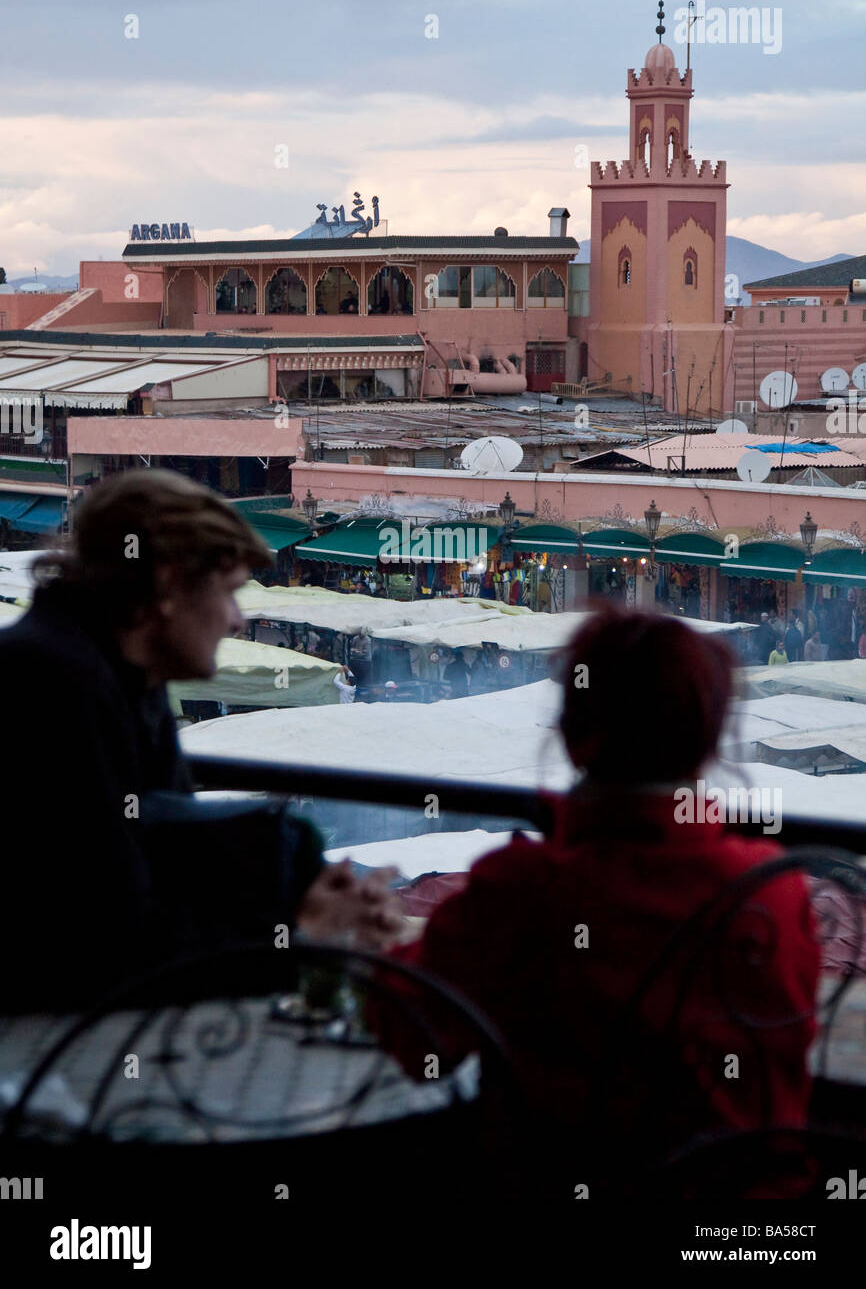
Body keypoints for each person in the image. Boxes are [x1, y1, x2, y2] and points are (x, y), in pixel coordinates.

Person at [379, 607, 819, 1192]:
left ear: (571, 734)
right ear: (708, 739)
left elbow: (414, 1039)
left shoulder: (521, 888)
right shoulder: (773, 888)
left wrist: (375, 944)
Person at [0, 471, 400, 1012]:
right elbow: (97, 942)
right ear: (168, 587)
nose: (238, 621)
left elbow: (168, 859)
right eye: (229, 593)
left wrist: (305, 886)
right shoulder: (51, 683)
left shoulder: (122, 677)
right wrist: (300, 932)